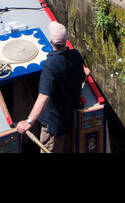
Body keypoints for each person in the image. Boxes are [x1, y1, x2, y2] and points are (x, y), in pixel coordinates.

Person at [16, 22, 86, 152]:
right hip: (71, 120)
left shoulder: (51, 65)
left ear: (51, 41)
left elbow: (43, 96)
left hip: (54, 126)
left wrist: (29, 122)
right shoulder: (76, 55)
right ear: (66, 41)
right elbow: (81, 76)